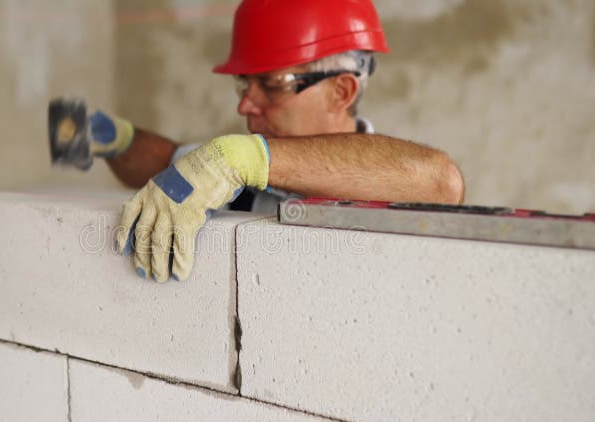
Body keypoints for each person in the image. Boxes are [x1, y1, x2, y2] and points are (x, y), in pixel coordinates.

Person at [85, 0, 465, 282]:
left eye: (271, 84)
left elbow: (442, 183)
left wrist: (244, 158)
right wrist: (118, 140)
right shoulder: (233, 174)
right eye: (244, 84)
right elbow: (166, 158)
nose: (245, 104)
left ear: (341, 91)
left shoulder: (388, 181)